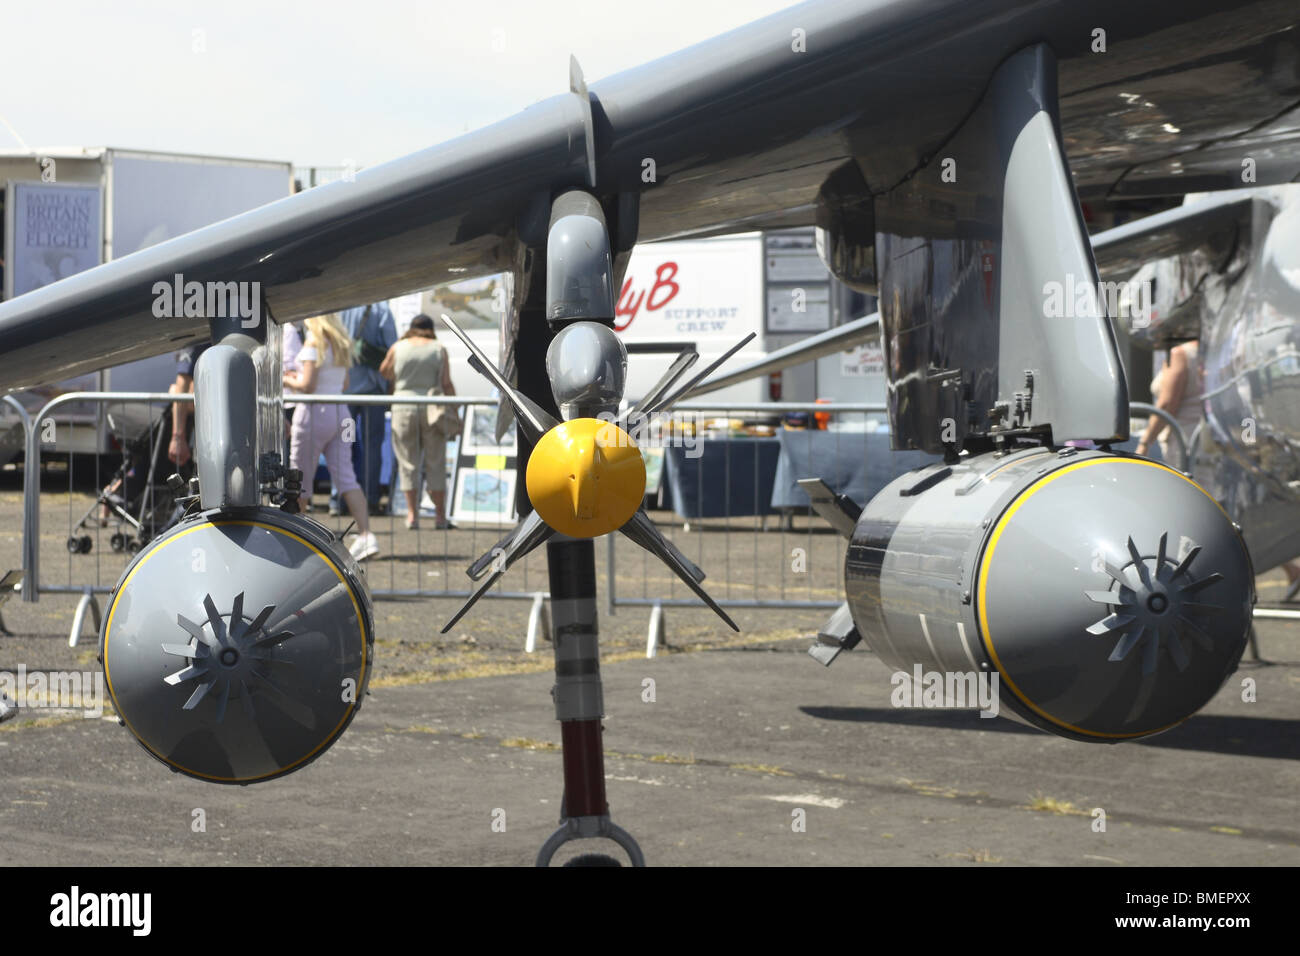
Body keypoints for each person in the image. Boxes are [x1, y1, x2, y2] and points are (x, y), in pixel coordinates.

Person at [284, 314, 380, 561]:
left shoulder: (313, 344)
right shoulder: (340, 343)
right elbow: (345, 382)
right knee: (347, 475)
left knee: (300, 476)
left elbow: (306, 385)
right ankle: (367, 534)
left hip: (314, 413)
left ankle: (294, 537)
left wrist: (284, 377)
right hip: (342, 413)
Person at [380, 314, 456, 529]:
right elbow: (446, 383)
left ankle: (412, 515)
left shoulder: (398, 347)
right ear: (431, 329)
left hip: (403, 405)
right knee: (435, 462)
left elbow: (384, 371)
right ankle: (440, 517)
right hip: (432, 407)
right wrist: (455, 409)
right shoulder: (438, 348)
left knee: (408, 463)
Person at [331, 302, 397, 516]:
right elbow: (392, 348)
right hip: (372, 392)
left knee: (344, 443)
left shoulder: (340, 307)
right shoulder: (380, 309)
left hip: (345, 390)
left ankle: (339, 498)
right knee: (372, 444)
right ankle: (370, 498)